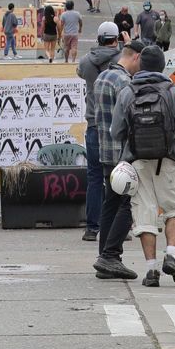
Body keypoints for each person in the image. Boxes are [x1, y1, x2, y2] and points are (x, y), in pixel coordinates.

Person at [110, 44, 175, 287]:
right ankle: (172, 255)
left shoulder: (128, 92)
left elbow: (116, 132)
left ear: (141, 65)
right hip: (168, 159)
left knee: (144, 214)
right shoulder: (172, 91)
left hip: (137, 162)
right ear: (162, 66)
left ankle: (151, 271)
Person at [92, 38, 146, 281]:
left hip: (104, 151)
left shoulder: (102, 77)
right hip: (122, 155)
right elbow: (129, 121)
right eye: (141, 61)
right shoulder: (125, 82)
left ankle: (104, 256)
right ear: (135, 56)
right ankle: (111, 256)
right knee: (128, 203)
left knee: (110, 204)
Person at [77, 22, 122, 242]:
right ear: (116, 39)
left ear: (98, 38)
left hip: (94, 126)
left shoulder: (86, 61)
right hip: (116, 127)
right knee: (120, 177)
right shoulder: (121, 61)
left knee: (95, 177)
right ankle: (118, 226)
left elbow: (79, 72)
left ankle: (92, 228)